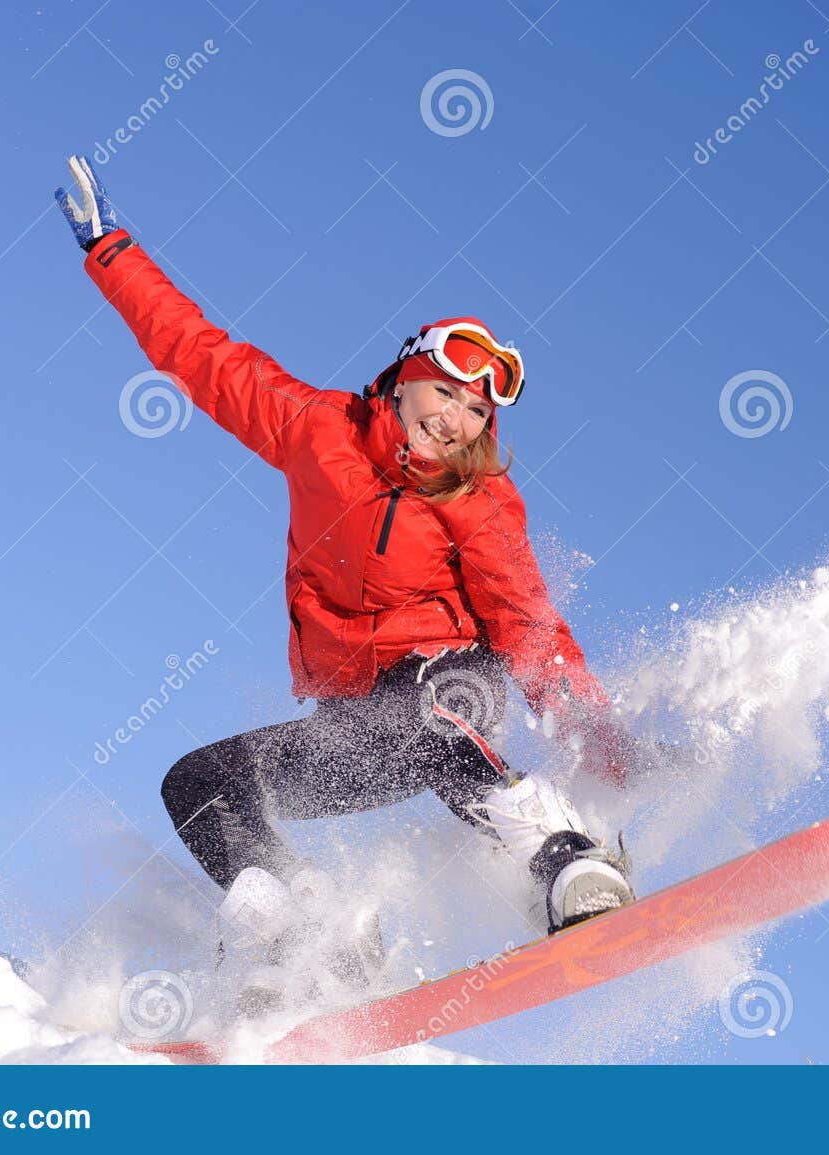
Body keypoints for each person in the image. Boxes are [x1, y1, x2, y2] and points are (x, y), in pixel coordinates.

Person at [53, 156, 636, 968]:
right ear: (404, 377)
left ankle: (564, 857)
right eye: (449, 392)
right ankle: (303, 928)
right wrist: (109, 249)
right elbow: (198, 353)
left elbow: (525, 616)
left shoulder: (479, 496)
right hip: (360, 727)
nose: (460, 419)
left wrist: (586, 717)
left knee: (432, 700)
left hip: (451, 691)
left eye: (479, 410)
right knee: (197, 783)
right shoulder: (314, 429)